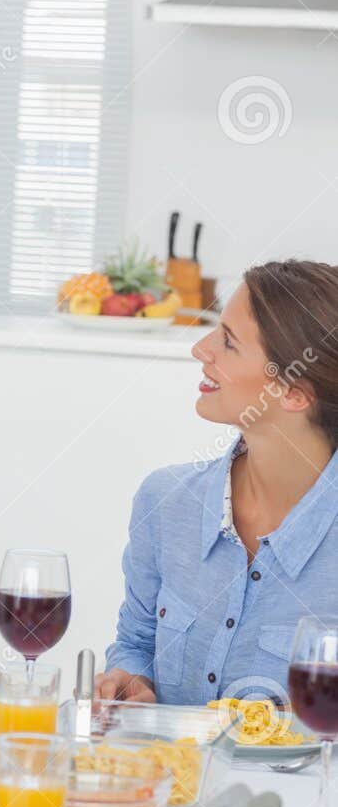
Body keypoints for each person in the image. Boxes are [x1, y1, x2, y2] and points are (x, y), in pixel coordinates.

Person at [100, 260, 338, 705]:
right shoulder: (166, 502)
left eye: (228, 342)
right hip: (171, 775)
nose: (200, 348)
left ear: (293, 392)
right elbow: (137, 645)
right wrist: (133, 680)